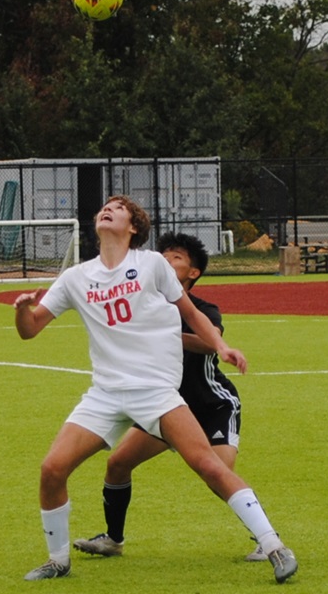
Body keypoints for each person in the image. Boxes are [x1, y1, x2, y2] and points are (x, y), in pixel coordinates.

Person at [14, 196, 297, 584]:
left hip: (155, 391)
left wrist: (221, 346)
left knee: (209, 465)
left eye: (118, 208)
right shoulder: (76, 277)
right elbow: (30, 330)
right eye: (104, 207)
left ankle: (275, 546)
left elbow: (192, 312)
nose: (107, 209)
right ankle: (58, 561)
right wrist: (22, 310)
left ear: (133, 227)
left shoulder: (151, 265)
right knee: (52, 469)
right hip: (106, 393)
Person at [72, 231, 267, 562]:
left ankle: (266, 539)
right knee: (117, 463)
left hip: (210, 406)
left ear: (194, 273)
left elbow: (210, 342)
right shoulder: (144, 305)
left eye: (176, 257)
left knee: (218, 472)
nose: (165, 259)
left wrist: (166, 334)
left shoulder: (203, 309)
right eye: (163, 255)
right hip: (163, 407)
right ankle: (113, 539)